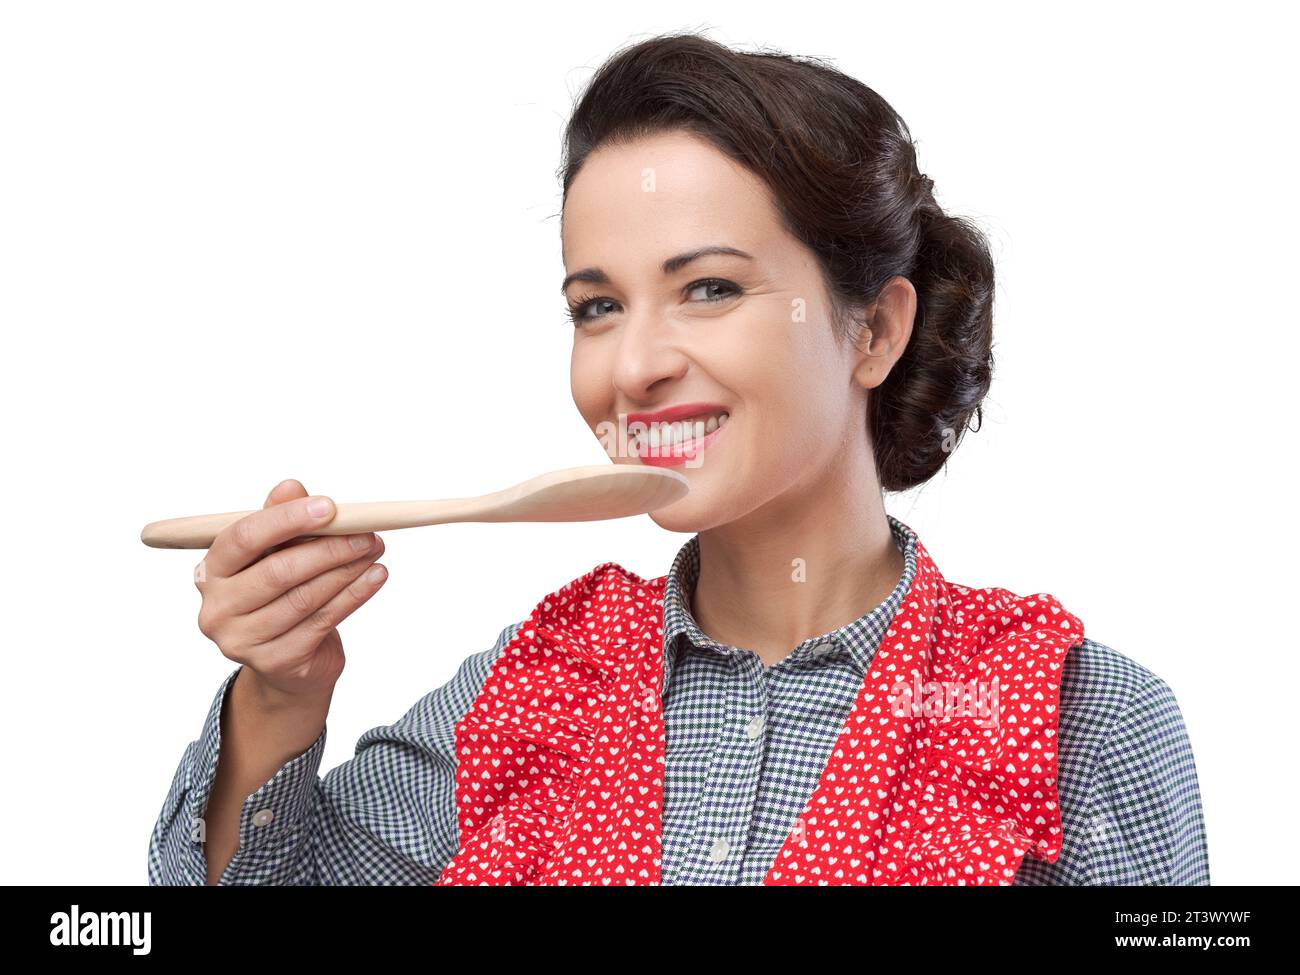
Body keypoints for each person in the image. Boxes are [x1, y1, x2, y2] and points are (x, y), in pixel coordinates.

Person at [149, 31, 1209, 886]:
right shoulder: (528, 690)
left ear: (874, 331)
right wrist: (282, 695)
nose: (636, 365)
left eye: (709, 288)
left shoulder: (1082, 720)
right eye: (597, 307)